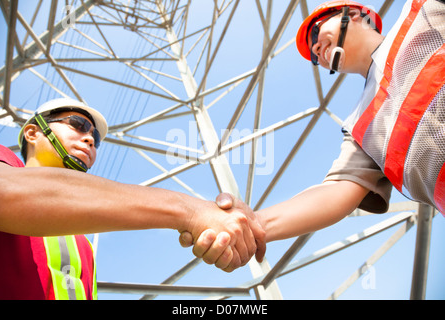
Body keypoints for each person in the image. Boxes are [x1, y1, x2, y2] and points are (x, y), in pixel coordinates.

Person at [180, 0, 445, 267]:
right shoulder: (360, 129)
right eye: (314, 54)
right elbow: (334, 194)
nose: (317, 49)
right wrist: (249, 225)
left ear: (352, 14)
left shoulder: (424, 13)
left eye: (316, 33)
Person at [0, 98, 266, 299]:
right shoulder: (3, 164)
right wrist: (189, 211)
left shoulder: (83, 244)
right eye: (78, 125)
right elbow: (4, 193)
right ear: (33, 132)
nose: (89, 139)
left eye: (95, 138)